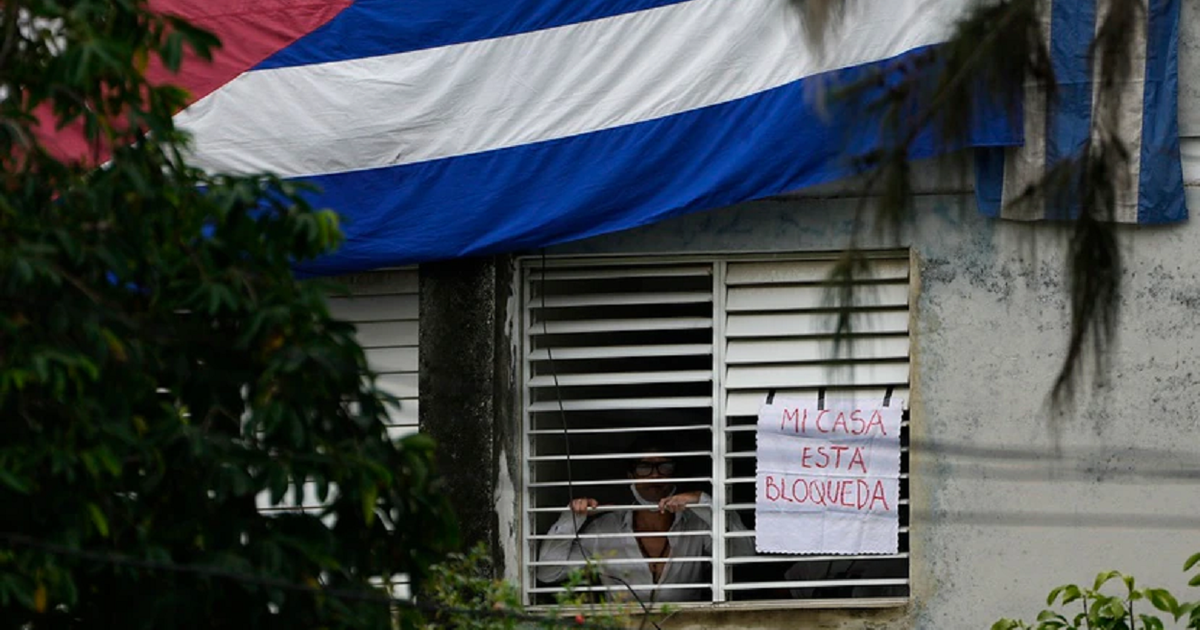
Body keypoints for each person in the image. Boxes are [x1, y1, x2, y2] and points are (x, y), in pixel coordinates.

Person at [535, 441, 753, 603]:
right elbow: (548, 573)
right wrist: (572, 519)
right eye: (644, 467)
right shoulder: (605, 529)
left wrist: (703, 502)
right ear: (631, 474)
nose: (654, 476)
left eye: (664, 467)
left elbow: (744, 554)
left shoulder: (698, 525)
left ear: (676, 473)